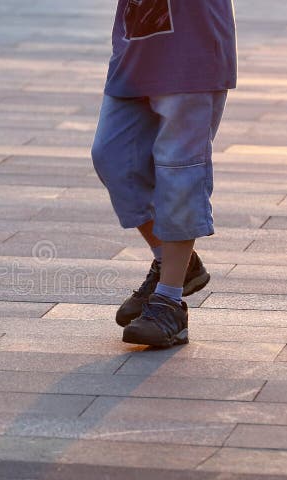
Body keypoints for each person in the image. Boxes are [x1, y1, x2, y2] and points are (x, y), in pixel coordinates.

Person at [91, 0, 237, 347]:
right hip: (136, 47)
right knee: (113, 158)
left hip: (193, 53)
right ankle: (176, 263)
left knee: (179, 170)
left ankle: (170, 301)